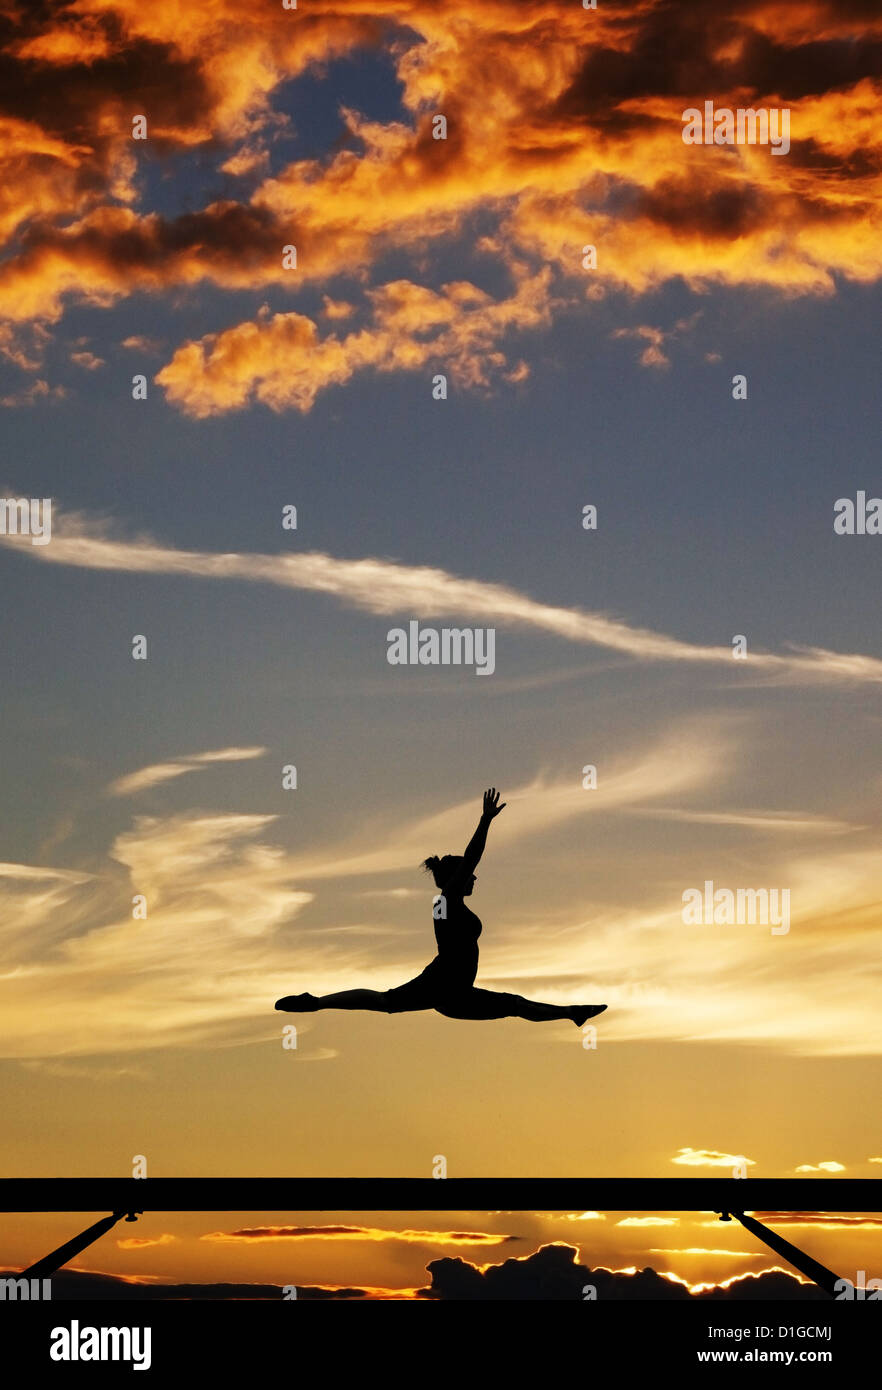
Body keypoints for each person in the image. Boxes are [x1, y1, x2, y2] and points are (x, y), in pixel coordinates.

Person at [275, 789, 606, 1026]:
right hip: (441, 985)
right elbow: (472, 856)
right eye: (469, 875)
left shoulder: (449, 903)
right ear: (456, 879)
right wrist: (485, 821)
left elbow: (469, 866)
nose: (475, 878)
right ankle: (316, 1003)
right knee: (385, 1002)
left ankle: (572, 1013)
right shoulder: (444, 901)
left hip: (459, 995)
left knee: (515, 1005)